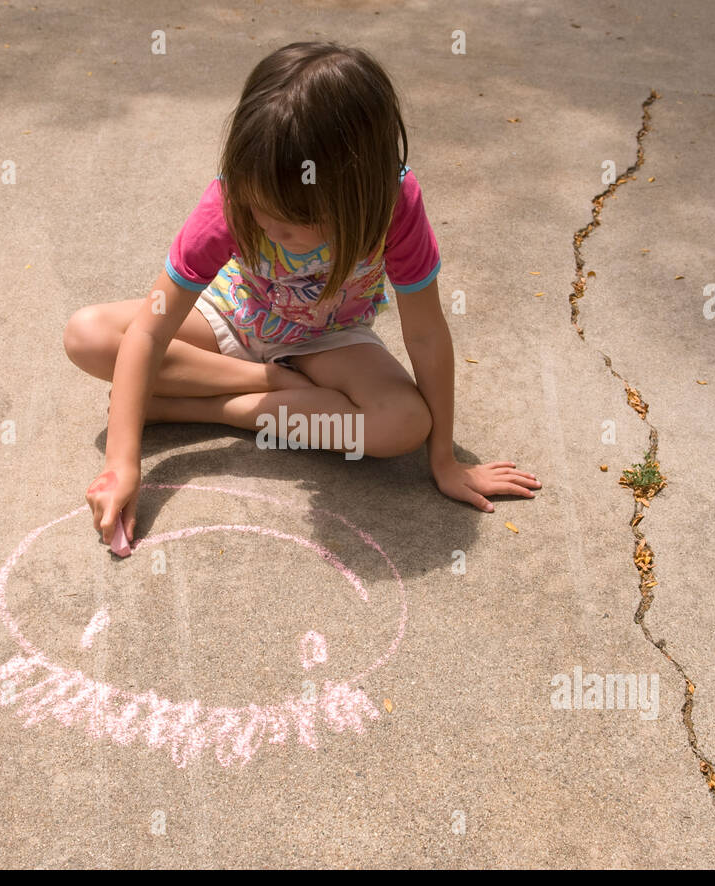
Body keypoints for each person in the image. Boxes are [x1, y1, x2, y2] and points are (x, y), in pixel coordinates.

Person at [64, 40, 541, 549]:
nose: (267, 228)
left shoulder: (394, 207)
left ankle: (201, 409)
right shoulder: (232, 199)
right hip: (235, 312)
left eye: (291, 224)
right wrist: (121, 463)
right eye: (257, 209)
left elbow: (424, 332)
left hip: (331, 338)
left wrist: (443, 460)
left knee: (403, 425)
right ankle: (267, 380)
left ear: (356, 193)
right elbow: (152, 327)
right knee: (87, 335)